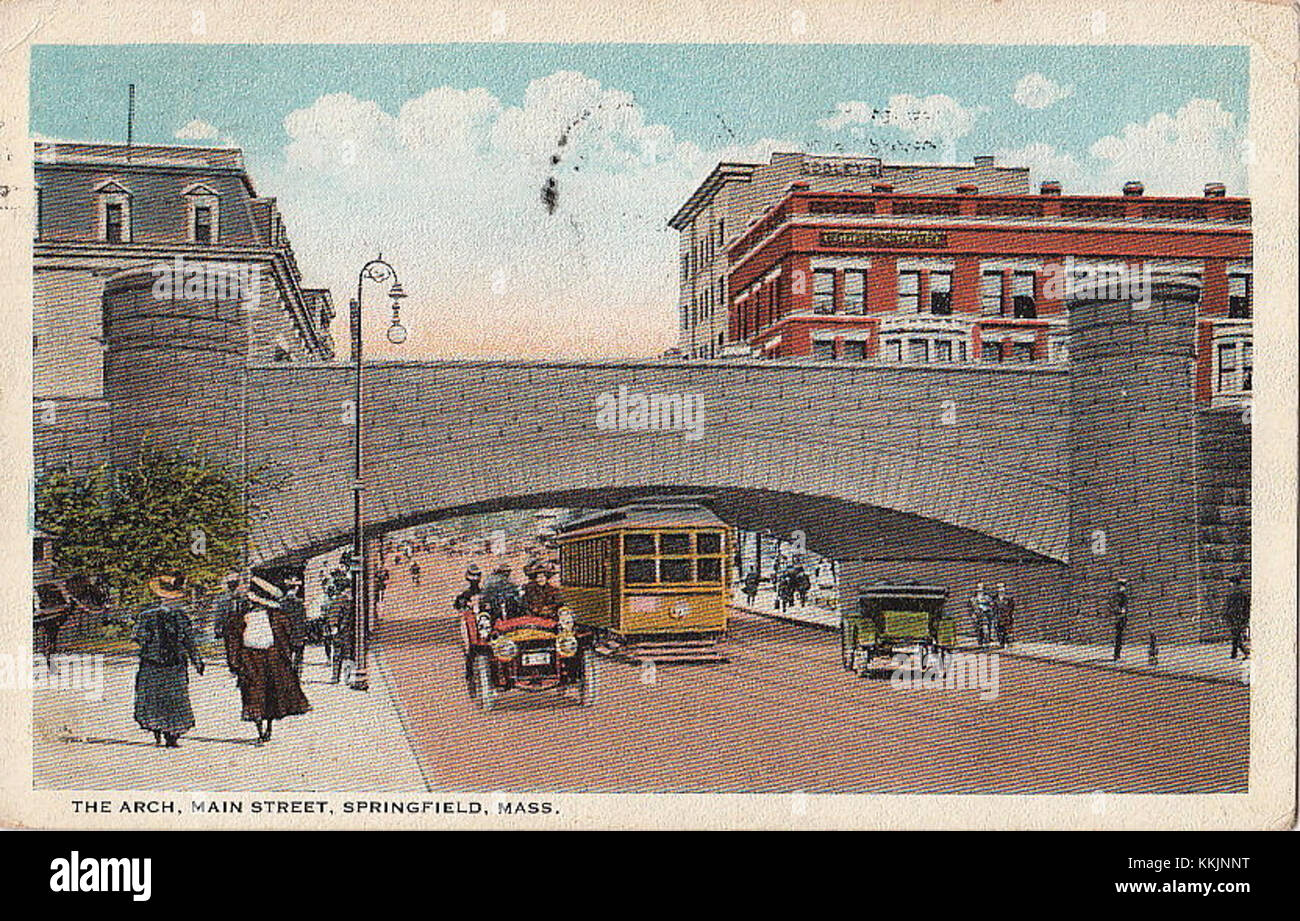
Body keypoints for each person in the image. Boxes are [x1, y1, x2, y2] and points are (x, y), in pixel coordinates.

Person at [224, 576, 310, 743]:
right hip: (253, 659)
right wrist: (235, 663)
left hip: (266, 659)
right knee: (256, 692)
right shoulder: (241, 619)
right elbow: (233, 639)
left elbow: (287, 635)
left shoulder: (275, 617)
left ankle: (265, 728)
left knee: (266, 692)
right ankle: (262, 727)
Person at [132, 573, 205, 748]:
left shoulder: (150, 616)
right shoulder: (152, 616)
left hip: (160, 662)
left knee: (167, 697)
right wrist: (197, 660)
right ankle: (164, 733)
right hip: (162, 663)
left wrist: (197, 660)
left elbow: (189, 640)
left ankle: (167, 733)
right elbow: (188, 641)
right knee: (163, 697)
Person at [326, 586, 356, 685]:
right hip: (347, 633)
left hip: (340, 633)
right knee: (348, 656)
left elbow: (332, 618)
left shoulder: (336, 601)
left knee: (337, 655)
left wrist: (334, 630)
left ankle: (335, 677)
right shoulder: (347, 602)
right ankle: (346, 678)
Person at [280, 577, 308, 677]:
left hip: (285, 633)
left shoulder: (282, 603)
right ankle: (297, 675)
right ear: (296, 589)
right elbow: (304, 620)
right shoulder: (300, 604)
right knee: (298, 656)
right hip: (298, 633)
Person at [1222, 574, 1250, 659]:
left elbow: (1227, 606)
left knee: (1235, 635)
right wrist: (1246, 617)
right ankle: (1236, 653)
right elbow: (1247, 606)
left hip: (1233, 617)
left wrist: (1224, 615)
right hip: (1241, 618)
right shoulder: (1243, 593)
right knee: (1236, 635)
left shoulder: (1231, 593)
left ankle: (1242, 652)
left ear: (1234, 583)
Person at [211, 572, 243, 641]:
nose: (233, 585)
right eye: (231, 583)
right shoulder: (223, 598)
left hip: (239, 624)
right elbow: (219, 614)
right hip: (228, 624)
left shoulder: (241, 596)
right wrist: (217, 627)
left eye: (234, 583)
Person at [1109, 578, 1130, 661]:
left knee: (1119, 636)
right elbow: (1116, 605)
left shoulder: (1123, 595)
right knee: (1119, 636)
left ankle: (1117, 653)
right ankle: (1117, 654)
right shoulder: (1119, 595)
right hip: (1119, 617)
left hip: (1121, 617)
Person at [994, 582, 1015, 648]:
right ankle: (1001, 643)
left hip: (1006, 616)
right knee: (1000, 630)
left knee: (1007, 630)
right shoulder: (995, 598)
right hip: (999, 617)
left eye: (1002, 588)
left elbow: (1012, 607)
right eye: (999, 588)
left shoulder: (1008, 598)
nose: (1001, 590)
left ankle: (1008, 643)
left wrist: (1011, 615)